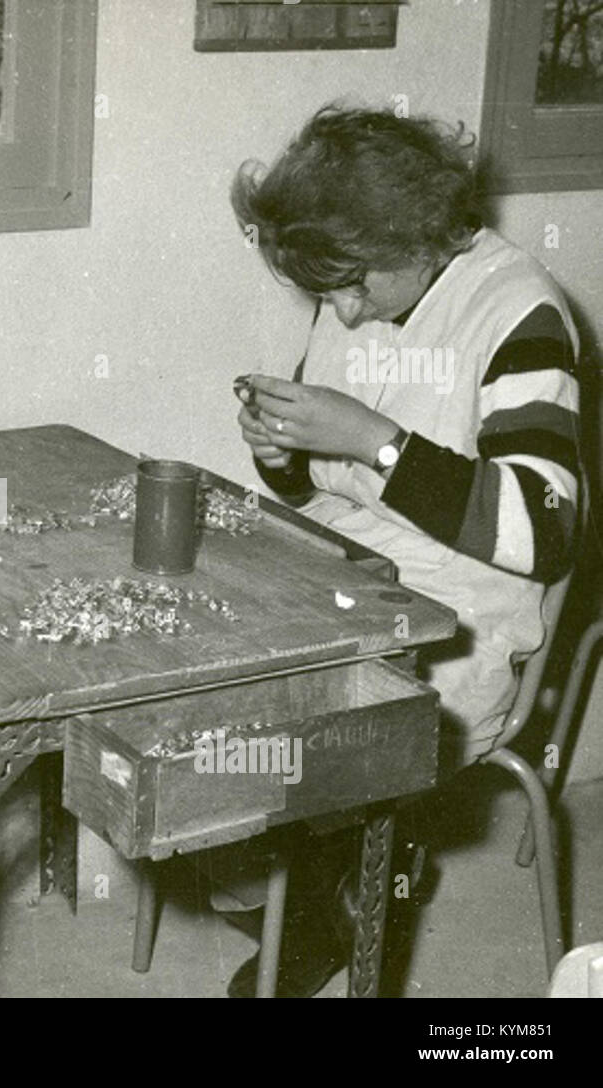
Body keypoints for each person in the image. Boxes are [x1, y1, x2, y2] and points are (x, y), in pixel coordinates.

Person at [220, 104, 582, 996]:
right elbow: (326, 497)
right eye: (323, 292)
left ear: (420, 236)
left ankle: (349, 890)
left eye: (353, 287)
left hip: (469, 606)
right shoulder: (355, 286)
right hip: (352, 571)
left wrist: (375, 438)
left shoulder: (519, 311)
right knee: (209, 659)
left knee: (336, 718)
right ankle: (304, 874)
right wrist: (286, 460)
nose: (340, 313)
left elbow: (544, 531)